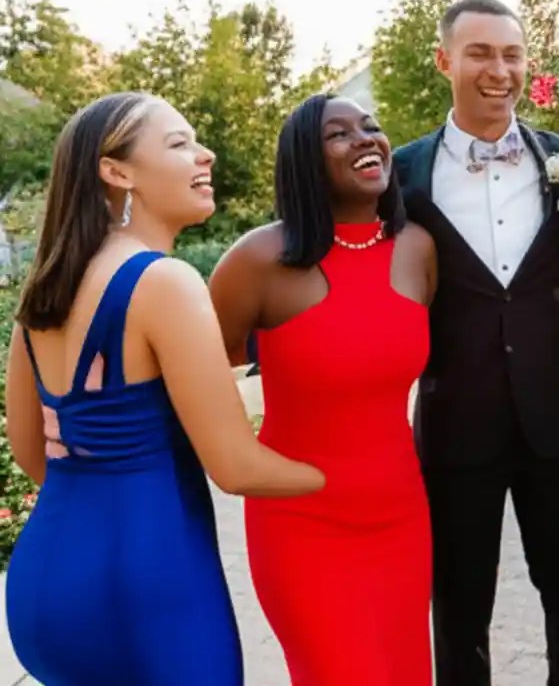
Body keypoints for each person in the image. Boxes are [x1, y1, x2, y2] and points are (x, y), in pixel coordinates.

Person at [3, 92, 324, 685]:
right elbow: (236, 467)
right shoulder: (164, 280)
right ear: (117, 172)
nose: (205, 156)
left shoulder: (44, 291)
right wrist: (344, 476)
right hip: (147, 586)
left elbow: (32, 454)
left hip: (45, 584)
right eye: (180, 144)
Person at [392, 0, 559, 686]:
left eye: (511, 55)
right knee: (457, 607)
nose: (498, 69)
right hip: (455, 422)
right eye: (480, 53)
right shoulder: (402, 175)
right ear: (445, 59)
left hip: (558, 420)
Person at [208, 94, 436, 685]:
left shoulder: (418, 250)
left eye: (372, 127)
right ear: (305, 163)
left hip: (401, 517)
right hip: (302, 525)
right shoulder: (258, 260)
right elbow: (203, 381)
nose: (365, 139)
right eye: (339, 134)